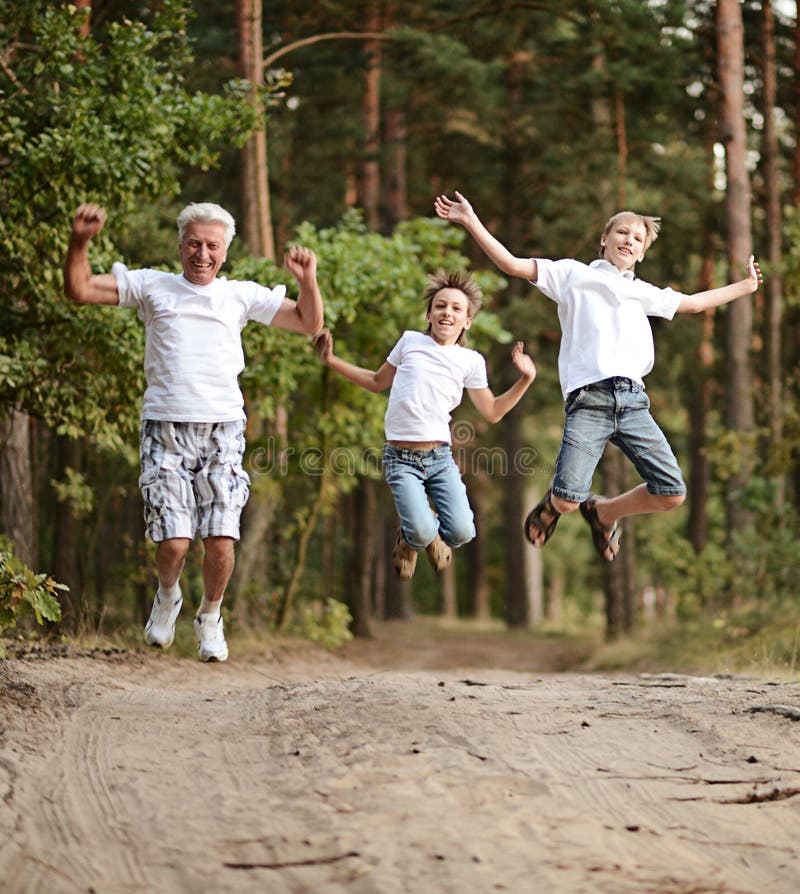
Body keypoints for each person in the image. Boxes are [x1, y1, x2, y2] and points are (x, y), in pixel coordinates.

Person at [434, 190, 762, 562]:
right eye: (622, 232)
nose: (629, 240)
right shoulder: (573, 274)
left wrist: (746, 286)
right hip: (589, 400)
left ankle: (605, 512)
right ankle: (558, 504)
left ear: (641, 253)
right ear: (604, 239)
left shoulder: (643, 292)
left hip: (634, 403)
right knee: (567, 500)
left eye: (637, 239)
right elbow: (512, 264)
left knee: (672, 493)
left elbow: (695, 303)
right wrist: (471, 220)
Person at [64, 202, 324, 661]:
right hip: (165, 428)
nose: (202, 254)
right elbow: (80, 289)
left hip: (223, 431)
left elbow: (308, 322)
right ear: (180, 245)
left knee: (221, 539)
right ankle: (168, 597)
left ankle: (210, 616)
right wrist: (80, 242)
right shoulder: (152, 286)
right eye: (194, 244)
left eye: (212, 246)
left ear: (225, 251)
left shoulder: (239, 295)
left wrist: (308, 281)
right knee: (175, 542)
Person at [313, 269, 536, 580]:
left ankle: (416, 533)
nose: (447, 312)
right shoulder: (410, 342)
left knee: (461, 532)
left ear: (467, 321)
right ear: (429, 314)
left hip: (440, 459)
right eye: (440, 306)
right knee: (420, 532)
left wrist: (526, 379)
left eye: (456, 308)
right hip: (401, 458)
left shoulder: (471, 361)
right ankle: (414, 536)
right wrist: (331, 360)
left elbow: (493, 411)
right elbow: (376, 382)